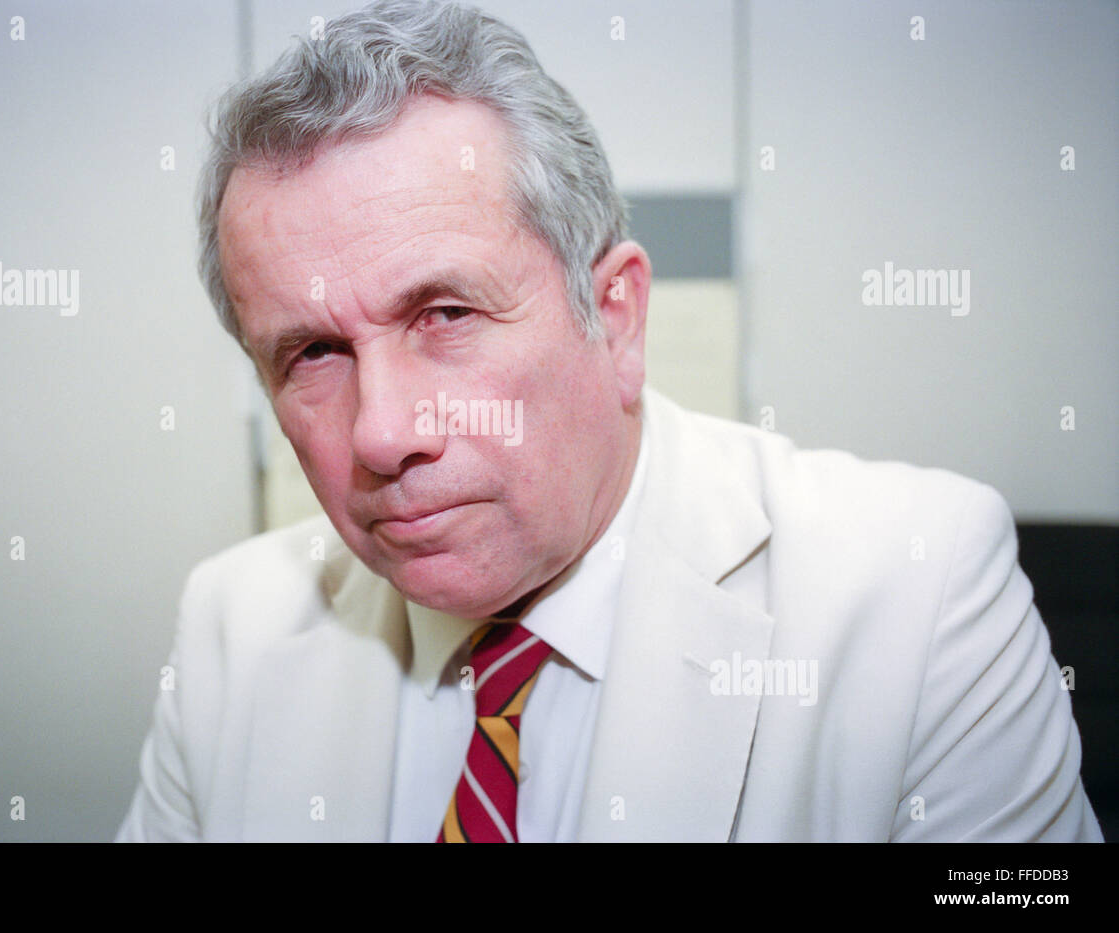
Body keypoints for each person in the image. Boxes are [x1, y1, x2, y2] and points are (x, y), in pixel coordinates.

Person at [115, 0, 1102, 842]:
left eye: (445, 316)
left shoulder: (918, 595)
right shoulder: (227, 630)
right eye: (313, 355)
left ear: (615, 318)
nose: (381, 434)